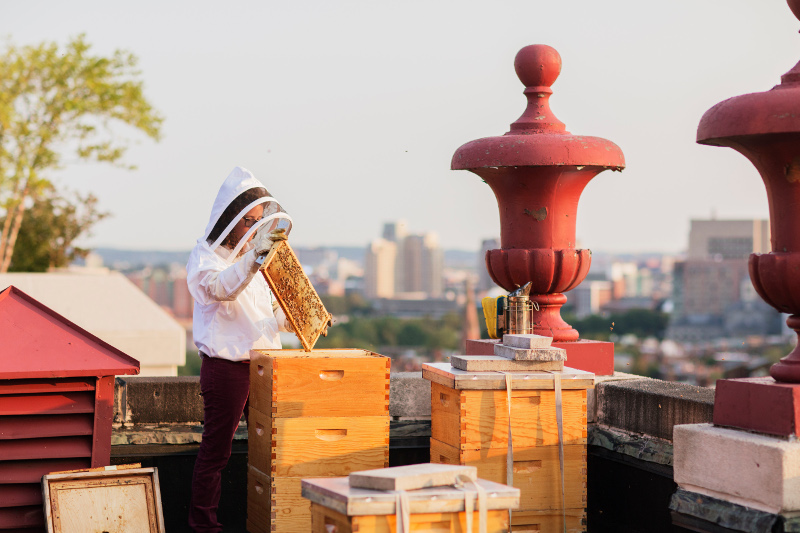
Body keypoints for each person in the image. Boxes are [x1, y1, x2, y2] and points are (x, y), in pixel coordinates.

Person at [186, 166, 293, 532]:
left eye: (258, 220)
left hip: (265, 365)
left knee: (273, 450)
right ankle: (204, 526)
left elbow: (268, 312)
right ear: (231, 218)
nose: (254, 227)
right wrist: (254, 258)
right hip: (226, 369)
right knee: (216, 452)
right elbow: (220, 289)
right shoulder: (206, 257)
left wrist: (297, 317)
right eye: (249, 220)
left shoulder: (254, 257)